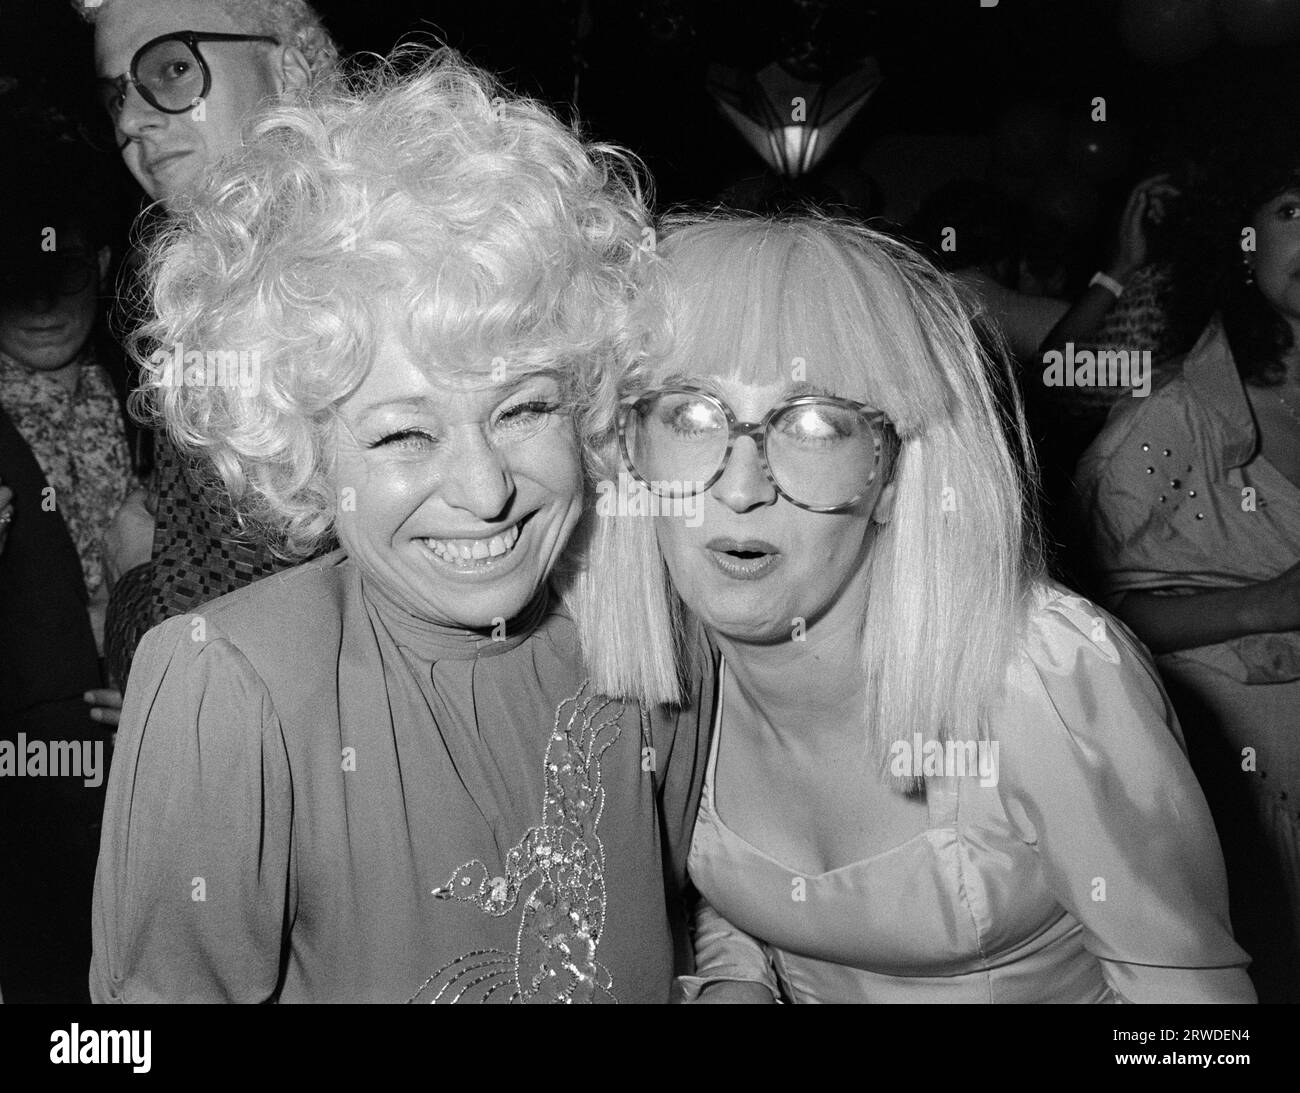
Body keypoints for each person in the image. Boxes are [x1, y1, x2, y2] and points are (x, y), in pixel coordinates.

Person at [90, 48, 711, 1004]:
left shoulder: (653, 637)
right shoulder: (228, 686)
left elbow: (695, 921)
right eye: (404, 433)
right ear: (303, 448)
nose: (484, 488)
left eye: (524, 410)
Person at [587, 213, 1254, 1003]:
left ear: (896, 477)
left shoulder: (1044, 674)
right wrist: (740, 981)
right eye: (691, 416)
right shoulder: (664, 664)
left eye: (813, 424)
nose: (741, 487)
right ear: (630, 447)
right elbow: (738, 889)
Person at [1076, 126, 1300, 1002]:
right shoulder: (1172, 417)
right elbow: (1086, 620)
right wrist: (1264, 605)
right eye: (1293, 209)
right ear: (1242, 245)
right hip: (1244, 802)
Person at [75, 0, 340, 723]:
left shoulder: (282, 297)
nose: (132, 121)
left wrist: (132, 573)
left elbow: (215, 676)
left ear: (285, 69)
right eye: (116, 96)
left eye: (170, 69)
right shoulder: (231, 274)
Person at [0, 106, 135, 1002]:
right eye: (18, 274)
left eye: (65, 268)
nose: (44, 300)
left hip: (143, 792)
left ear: (101, 265)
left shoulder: (162, 398)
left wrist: (156, 656)